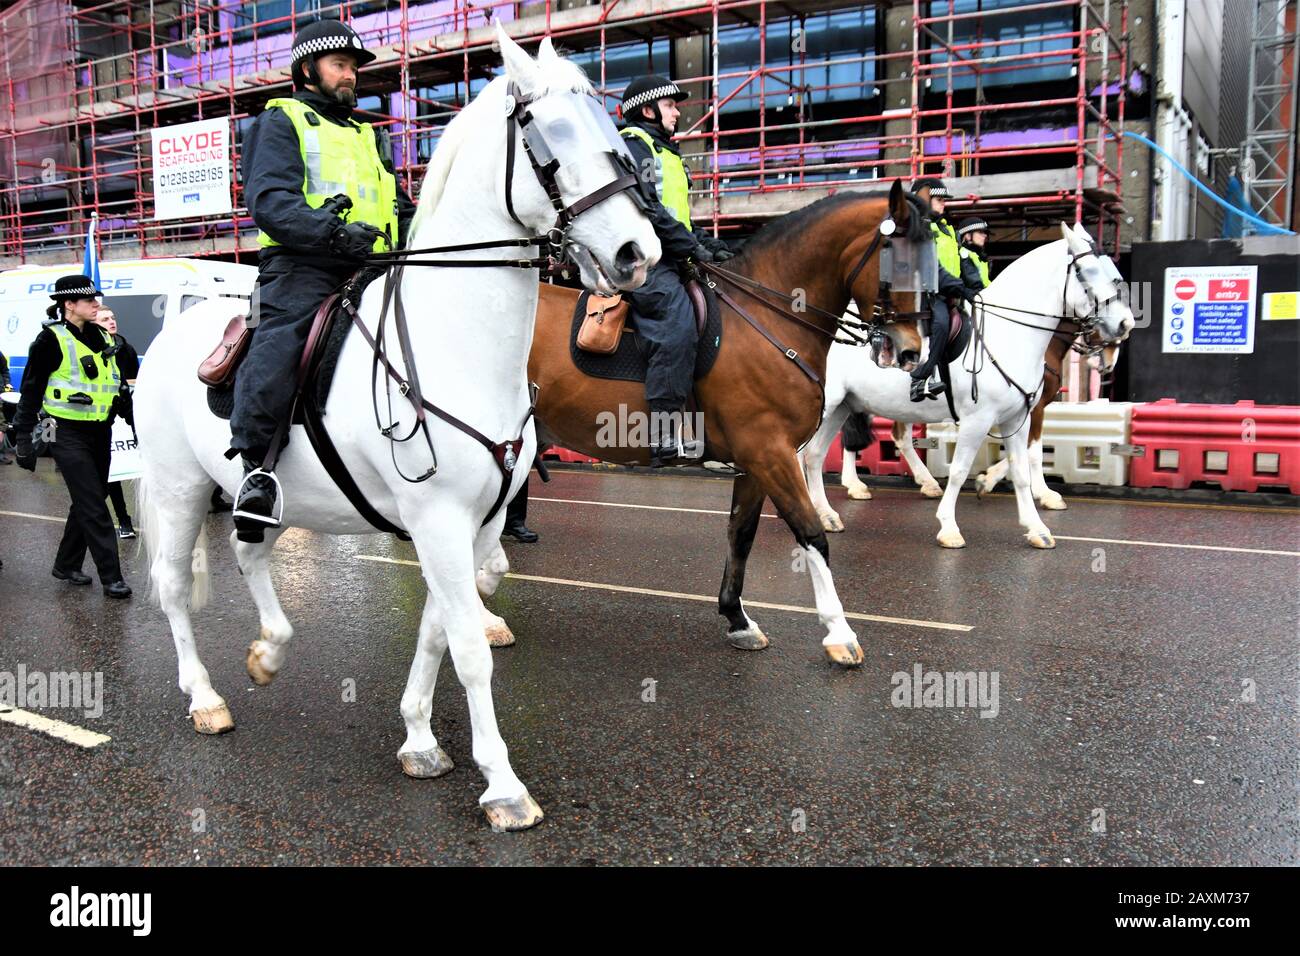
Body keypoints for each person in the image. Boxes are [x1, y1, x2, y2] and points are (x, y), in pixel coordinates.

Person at [231, 18, 416, 541]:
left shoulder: (367, 134)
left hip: (374, 262)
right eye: (340, 65)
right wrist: (332, 234)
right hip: (303, 263)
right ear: (308, 69)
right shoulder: (280, 119)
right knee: (281, 341)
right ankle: (257, 472)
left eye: (354, 68)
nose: (350, 76)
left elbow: (397, 206)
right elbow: (269, 201)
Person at [618, 75, 734, 466]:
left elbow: (676, 218)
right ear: (648, 110)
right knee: (676, 323)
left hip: (670, 252)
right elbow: (648, 211)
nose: (677, 110)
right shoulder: (638, 146)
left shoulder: (668, 153)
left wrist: (711, 245)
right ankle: (664, 431)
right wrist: (690, 247)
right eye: (671, 104)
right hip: (644, 262)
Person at [11, 274, 131, 598]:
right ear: (69, 305)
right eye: (89, 300)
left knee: (87, 500)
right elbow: (31, 392)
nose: (96, 304)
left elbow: (117, 385)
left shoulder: (104, 339)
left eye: (96, 299)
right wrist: (23, 439)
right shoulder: (49, 340)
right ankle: (112, 577)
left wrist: (132, 420)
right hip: (64, 431)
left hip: (100, 430)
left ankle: (65, 564)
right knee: (93, 503)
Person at [908, 178, 975, 403]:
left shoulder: (948, 230)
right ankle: (919, 379)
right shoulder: (917, 228)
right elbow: (930, 266)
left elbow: (959, 264)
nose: (944, 203)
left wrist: (973, 291)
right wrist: (960, 288)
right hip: (925, 292)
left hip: (950, 292)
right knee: (941, 323)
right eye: (939, 199)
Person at [92, 307, 139, 538]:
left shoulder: (126, 348)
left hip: (126, 414)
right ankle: (123, 520)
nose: (112, 321)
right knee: (112, 473)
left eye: (113, 317)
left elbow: (134, 382)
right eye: (105, 319)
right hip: (102, 418)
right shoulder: (93, 350)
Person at [957, 216, 992, 292]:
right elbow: (973, 283)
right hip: (971, 299)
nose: (985, 235)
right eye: (980, 232)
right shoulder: (963, 254)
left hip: (981, 298)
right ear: (968, 236)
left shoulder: (979, 256)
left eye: (985, 233)